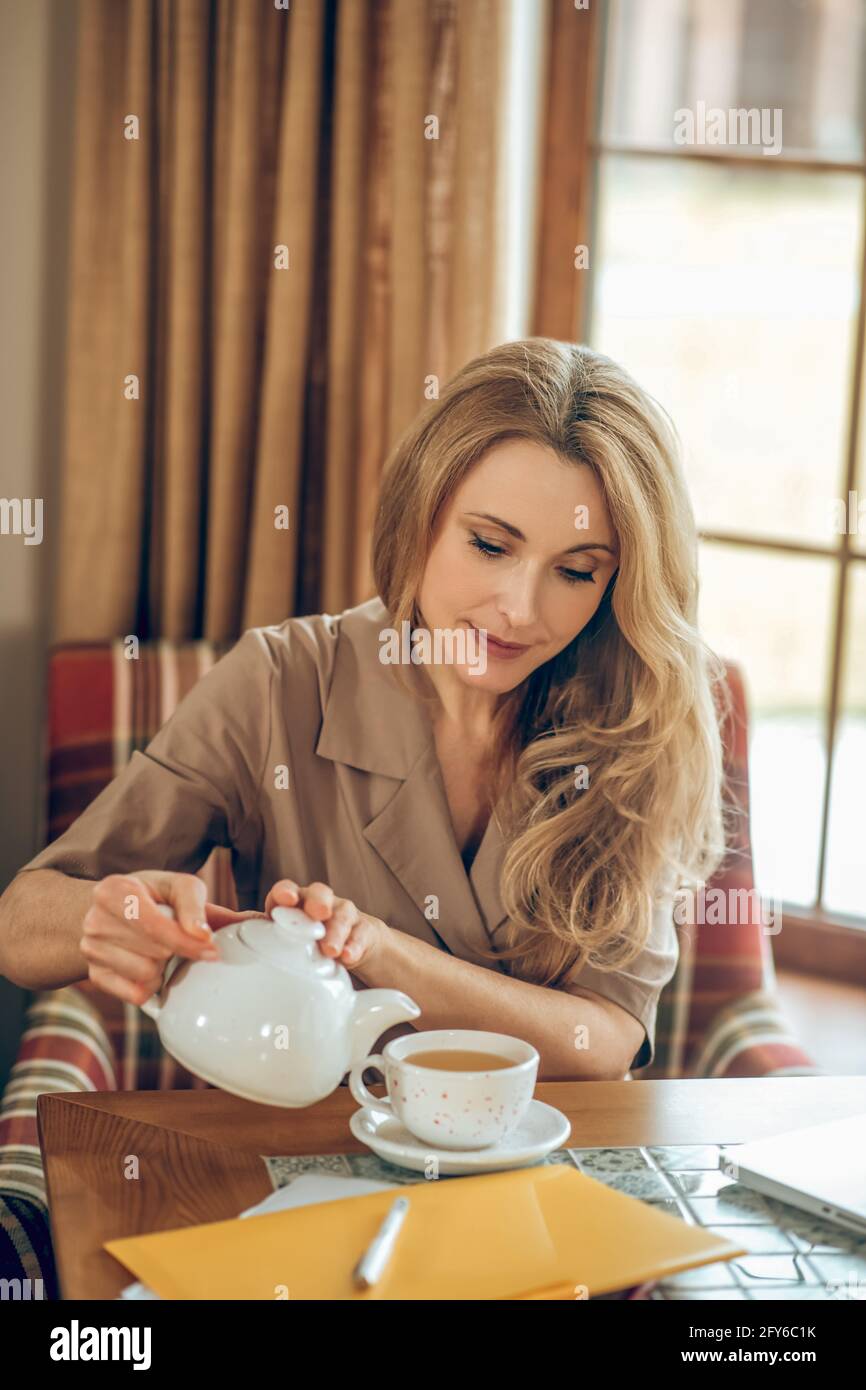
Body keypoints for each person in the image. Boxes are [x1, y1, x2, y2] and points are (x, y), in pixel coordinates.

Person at [0, 338, 727, 1080]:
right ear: (420, 516)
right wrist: (108, 916)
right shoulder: (280, 683)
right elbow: (20, 926)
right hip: (310, 1154)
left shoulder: (639, 719)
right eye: (488, 545)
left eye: (576, 571)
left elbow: (603, 1040)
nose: (519, 610)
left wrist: (376, 951)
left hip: (542, 1170)